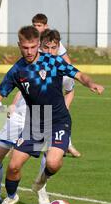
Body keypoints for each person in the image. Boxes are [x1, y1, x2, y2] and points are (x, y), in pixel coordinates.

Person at [0, 26, 104, 204]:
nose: (29, 52)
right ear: (19, 45)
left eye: (33, 47)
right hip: (36, 121)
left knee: (53, 163)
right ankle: (11, 197)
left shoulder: (53, 62)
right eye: (25, 47)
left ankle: (41, 182)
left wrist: (91, 83)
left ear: (38, 44)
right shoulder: (17, 70)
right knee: (13, 167)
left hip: (59, 120)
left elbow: (79, 75)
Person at [0, 29, 77, 204]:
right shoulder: (22, 66)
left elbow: (69, 90)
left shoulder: (56, 66)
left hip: (44, 118)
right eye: (47, 47)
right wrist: (11, 105)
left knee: (50, 158)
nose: (49, 51)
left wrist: (62, 112)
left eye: (54, 48)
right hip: (19, 116)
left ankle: (41, 191)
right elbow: (16, 89)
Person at [32, 13, 81, 157]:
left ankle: (67, 144)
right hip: (38, 82)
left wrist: (69, 74)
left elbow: (67, 62)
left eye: (39, 25)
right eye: (34, 25)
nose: (36, 28)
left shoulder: (53, 41)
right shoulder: (32, 43)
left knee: (60, 114)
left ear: (45, 26)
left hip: (55, 79)